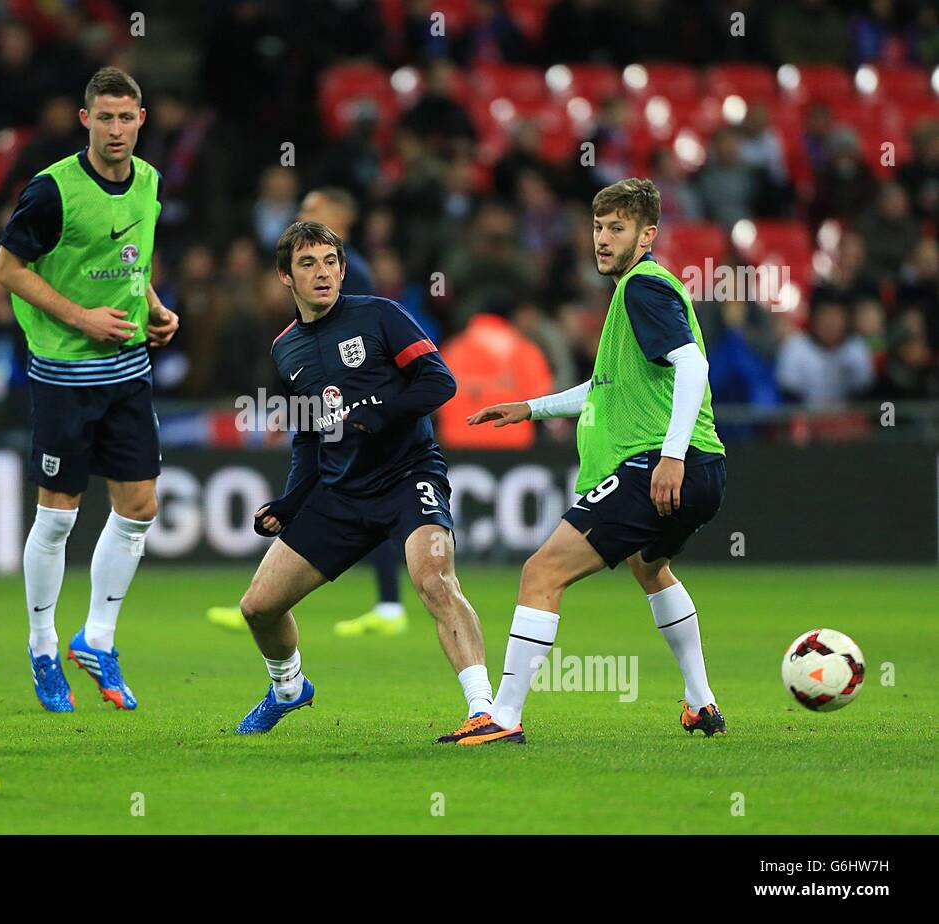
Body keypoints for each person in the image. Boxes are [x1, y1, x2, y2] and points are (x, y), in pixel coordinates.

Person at [454, 178, 728, 746]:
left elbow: (694, 366)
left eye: (617, 228)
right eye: (598, 227)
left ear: (647, 236)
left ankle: (503, 717)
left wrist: (670, 456)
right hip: (705, 470)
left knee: (541, 572)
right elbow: (606, 388)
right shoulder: (640, 290)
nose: (602, 239)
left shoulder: (642, 289)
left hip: (660, 465)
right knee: (649, 568)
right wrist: (531, 407)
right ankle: (701, 702)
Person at [232, 220, 493, 740]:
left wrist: (380, 414)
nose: (322, 273)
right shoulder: (286, 348)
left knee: (434, 579)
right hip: (340, 494)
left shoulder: (380, 315)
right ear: (286, 277)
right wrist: (290, 502)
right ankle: (288, 687)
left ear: (343, 269)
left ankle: (485, 710)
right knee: (258, 607)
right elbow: (311, 436)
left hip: (408, 475)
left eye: (331, 262)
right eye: (308, 264)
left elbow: (440, 381)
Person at [0, 67, 178, 714]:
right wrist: (82, 319)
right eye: (105, 117)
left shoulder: (149, 182)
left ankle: (96, 638)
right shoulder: (52, 191)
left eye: (126, 117)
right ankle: (42, 646)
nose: (116, 129)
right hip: (64, 376)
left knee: (140, 507)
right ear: (85, 120)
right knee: (58, 516)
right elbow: (8, 269)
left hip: (127, 371)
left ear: (141, 120)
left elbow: (131, 259)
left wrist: (152, 305)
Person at [206, 187, 411, 637]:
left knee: (356, 496)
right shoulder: (320, 282)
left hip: (361, 419)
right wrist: (298, 404)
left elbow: (355, 349)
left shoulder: (353, 275)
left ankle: (280, 598)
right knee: (355, 500)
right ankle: (379, 603)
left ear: (340, 217)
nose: (301, 216)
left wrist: (330, 407)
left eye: (312, 210)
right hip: (339, 412)